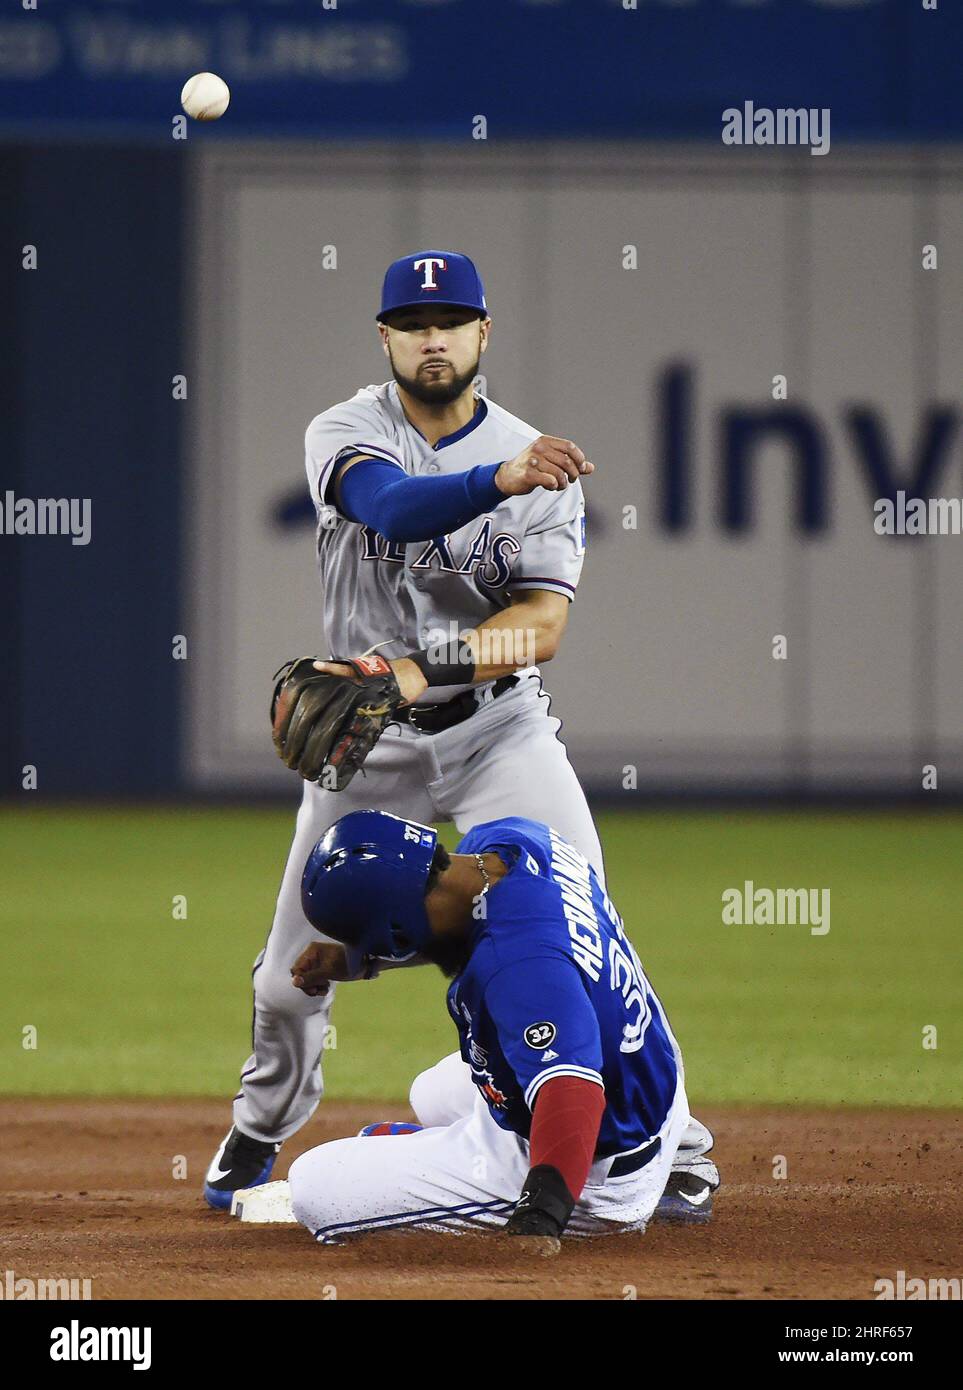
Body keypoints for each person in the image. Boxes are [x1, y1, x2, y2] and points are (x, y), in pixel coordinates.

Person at [277, 809, 719, 1241]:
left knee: (315, 1186)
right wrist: (359, 961)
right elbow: (460, 925)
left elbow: (571, 1091)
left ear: (398, 928)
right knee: (430, 1091)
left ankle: (482, 1173)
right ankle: (444, 1152)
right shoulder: (515, 842)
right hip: (649, 1074)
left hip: (602, 1170)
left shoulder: (518, 966)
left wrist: (538, 1219)